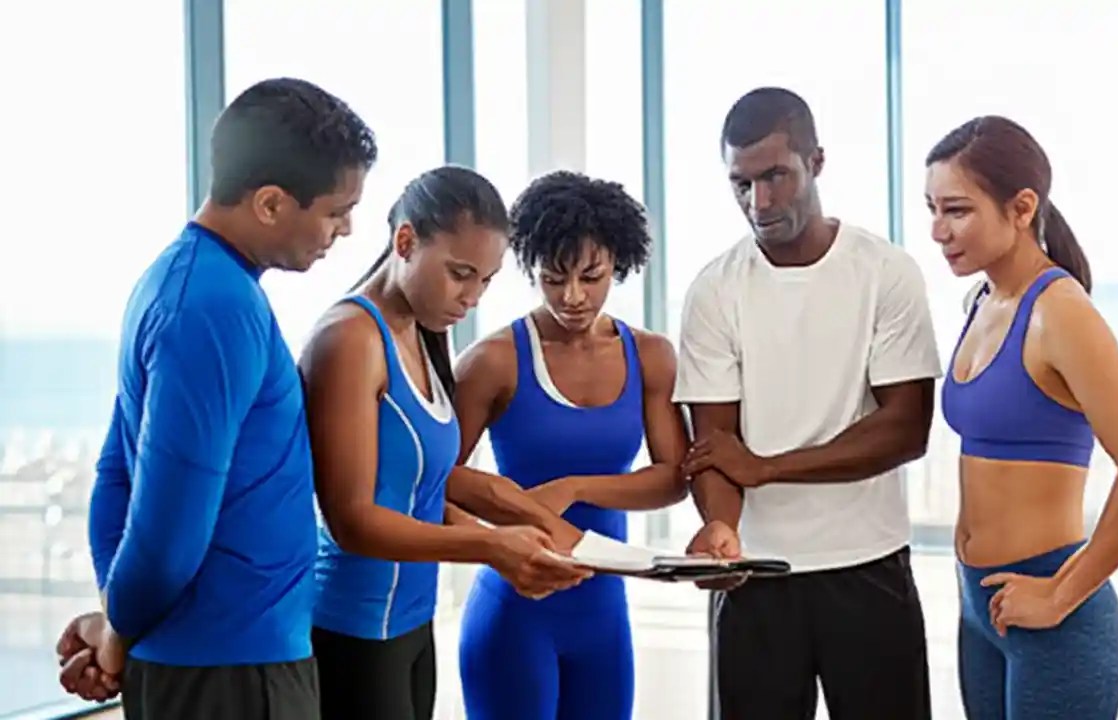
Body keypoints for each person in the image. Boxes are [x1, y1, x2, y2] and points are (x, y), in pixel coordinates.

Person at [57, 76, 379, 719]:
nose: (345, 229)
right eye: (335, 210)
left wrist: (117, 623)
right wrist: (121, 629)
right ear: (269, 204)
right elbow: (166, 528)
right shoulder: (213, 307)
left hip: (227, 666)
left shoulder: (185, 283)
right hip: (232, 681)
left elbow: (114, 475)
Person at [677, 87, 941, 720]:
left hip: (869, 566)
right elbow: (715, 447)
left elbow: (906, 429)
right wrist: (720, 527)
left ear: (816, 162)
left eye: (776, 177)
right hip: (755, 577)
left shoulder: (886, 271)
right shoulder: (714, 289)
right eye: (741, 184)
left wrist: (768, 467)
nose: (759, 202)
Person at [299, 165, 593, 720]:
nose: (472, 297)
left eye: (485, 280)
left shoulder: (425, 331)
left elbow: (428, 477)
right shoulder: (349, 340)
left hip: (412, 624)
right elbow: (352, 520)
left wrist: (531, 522)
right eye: (460, 274)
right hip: (353, 631)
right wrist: (490, 548)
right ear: (405, 241)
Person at [926, 115, 1118, 719]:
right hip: (980, 605)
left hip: (1055, 617)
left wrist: (1060, 595)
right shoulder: (981, 302)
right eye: (931, 208)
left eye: (957, 210)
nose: (938, 230)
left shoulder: (1062, 313)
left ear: (1021, 208)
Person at [452, 170, 689, 720]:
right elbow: (436, 481)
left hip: (605, 618)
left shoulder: (651, 355)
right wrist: (498, 539)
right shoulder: (493, 361)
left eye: (592, 275)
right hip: (515, 613)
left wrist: (574, 488)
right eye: (554, 279)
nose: (574, 296)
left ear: (619, 262)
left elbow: (673, 477)